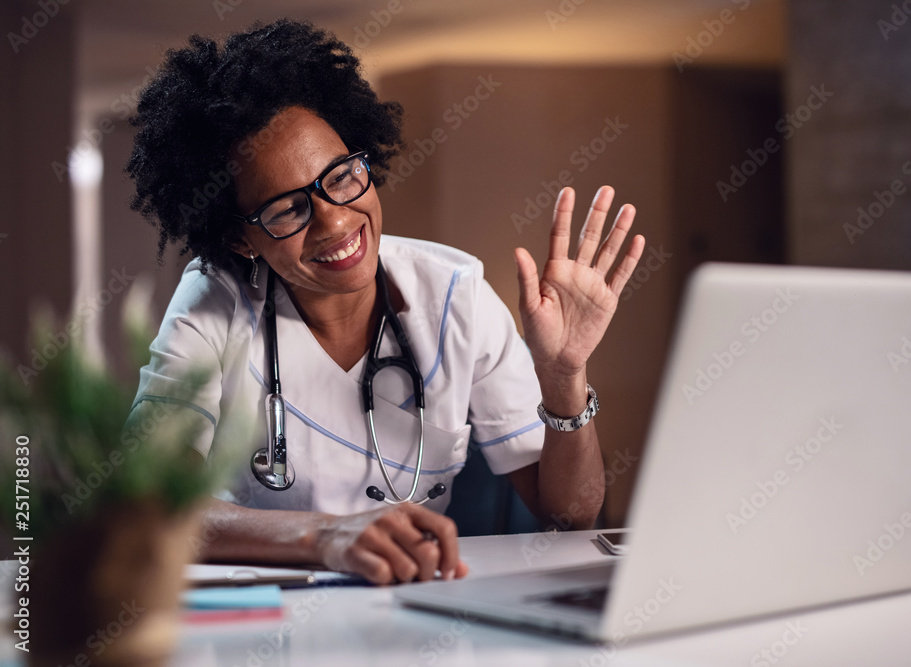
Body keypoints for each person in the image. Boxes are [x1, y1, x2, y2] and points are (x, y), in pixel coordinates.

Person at [125, 19, 644, 585]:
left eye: (341, 177)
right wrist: (327, 538)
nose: (335, 222)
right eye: (287, 209)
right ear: (239, 239)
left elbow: (570, 517)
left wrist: (564, 376)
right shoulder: (212, 302)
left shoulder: (456, 294)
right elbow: (148, 510)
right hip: (267, 614)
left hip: (417, 603)